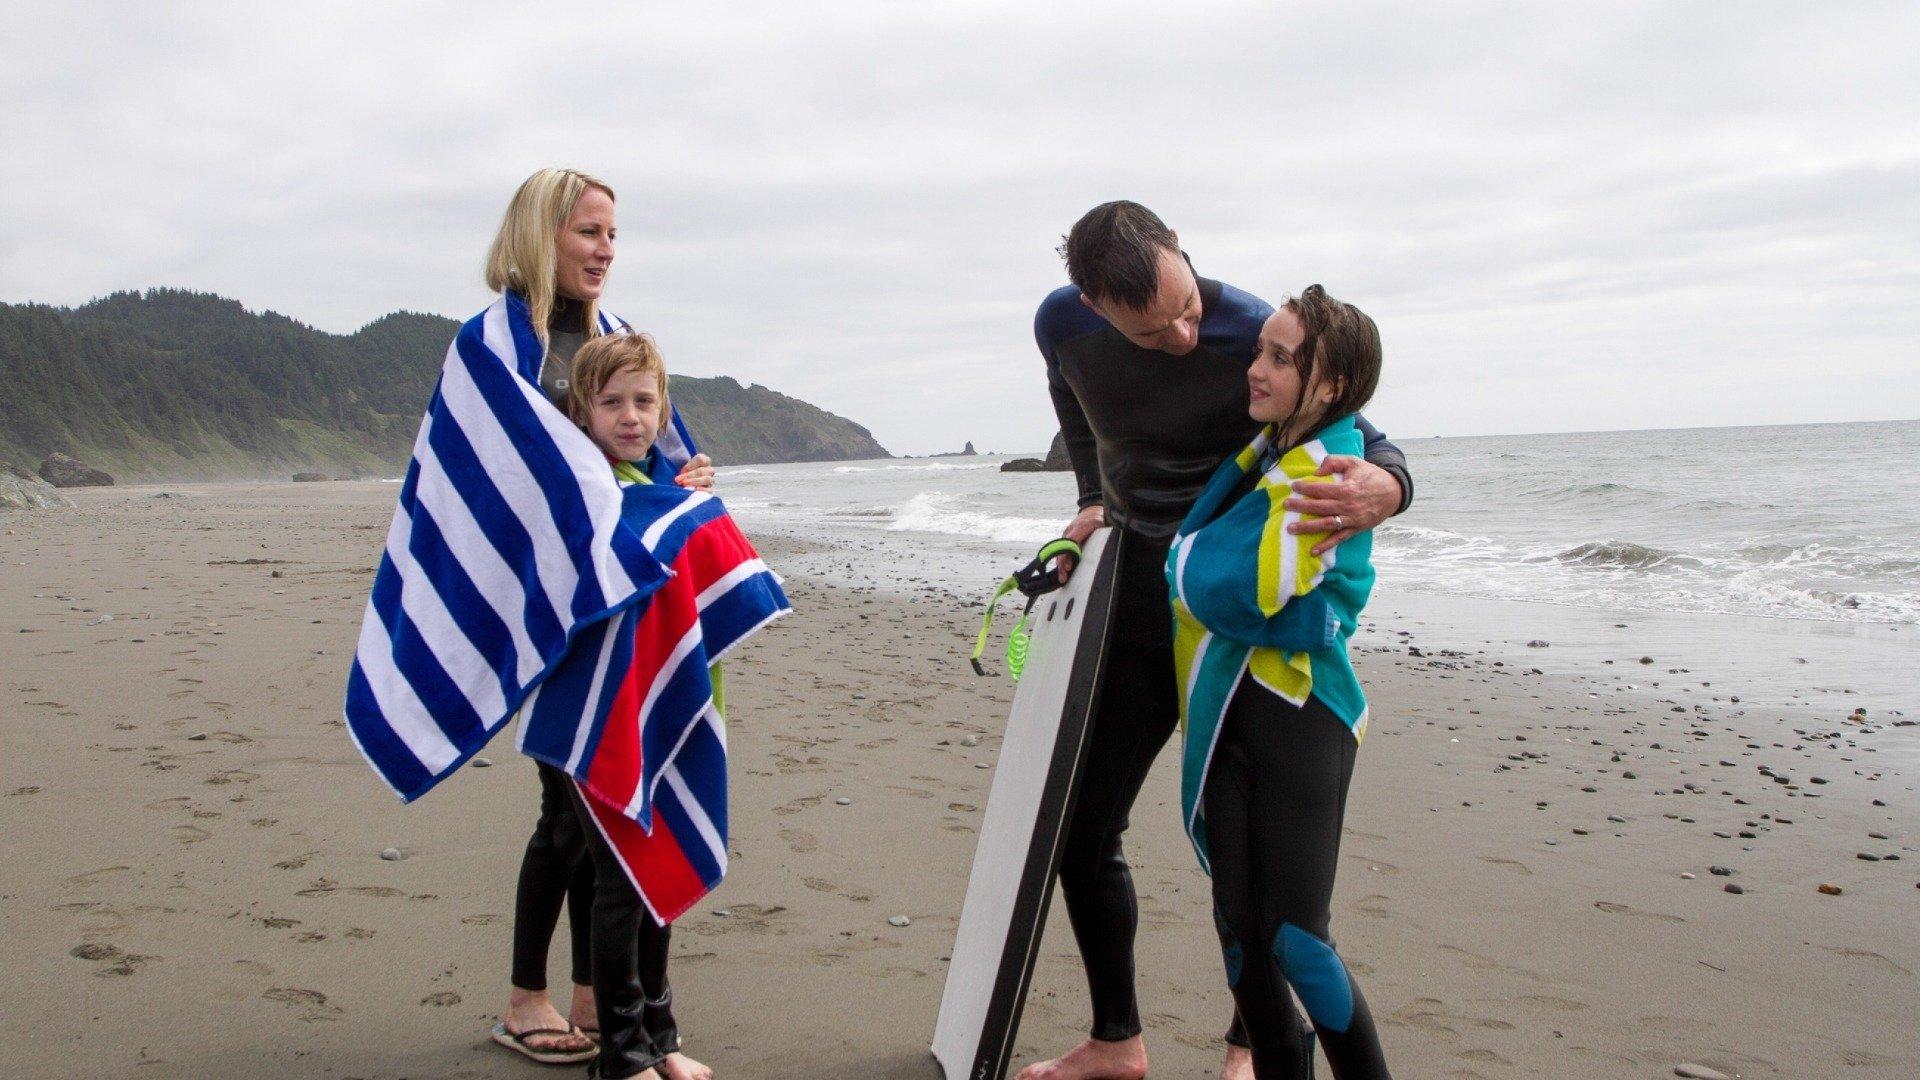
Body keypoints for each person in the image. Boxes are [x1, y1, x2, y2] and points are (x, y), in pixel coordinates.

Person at [1019, 202, 1412, 1080]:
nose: (1190, 336)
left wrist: (1392, 486)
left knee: (1260, 874)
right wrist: (1092, 495)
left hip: (1232, 626)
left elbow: (1351, 425)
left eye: (1189, 303)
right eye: (1158, 332)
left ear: (1181, 253)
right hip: (1136, 601)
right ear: (1094, 302)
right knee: (1085, 831)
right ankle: (1117, 1040)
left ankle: (1252, 1046)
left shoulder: (1252, 331)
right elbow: (1074, 409)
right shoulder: (1059, 324)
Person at [482, 168, 714, 1066]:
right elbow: (493, 477)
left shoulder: (616, 340)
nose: (604, 250)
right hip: (552, 616)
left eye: (612, 234)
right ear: (542, 235)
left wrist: (686, 481)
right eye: (586, 232)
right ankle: (525, 995)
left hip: (628, 620)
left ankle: (595, 993)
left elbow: (661, 452)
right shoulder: (498, 345)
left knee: (611, 811)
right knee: (566, 814)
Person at [1167, 285, 1393, 1078]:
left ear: (1328, 386)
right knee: (1239, 935)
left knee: (1298, 939)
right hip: (1233, 716)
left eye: (1279, 357)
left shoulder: (1330, 472)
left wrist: (1194, 570)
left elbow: (1223, 584)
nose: (1255, 369)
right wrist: (1195, 569)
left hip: (1300, 718)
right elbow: (1201, 570)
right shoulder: (1262, 458)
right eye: (1261, 349)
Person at [554, 331, 718, 1080]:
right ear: (582, 410)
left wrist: (699, 505)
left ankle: (662, 1037)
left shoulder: (673, 481)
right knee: (623, 876)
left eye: (644, 401)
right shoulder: (579, 485)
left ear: (664, 408)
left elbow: (710, 573)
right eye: (612, 401)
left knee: (664, 865)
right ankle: (618, 1054)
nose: (630, 415)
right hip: (595, 713)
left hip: (672, 702)